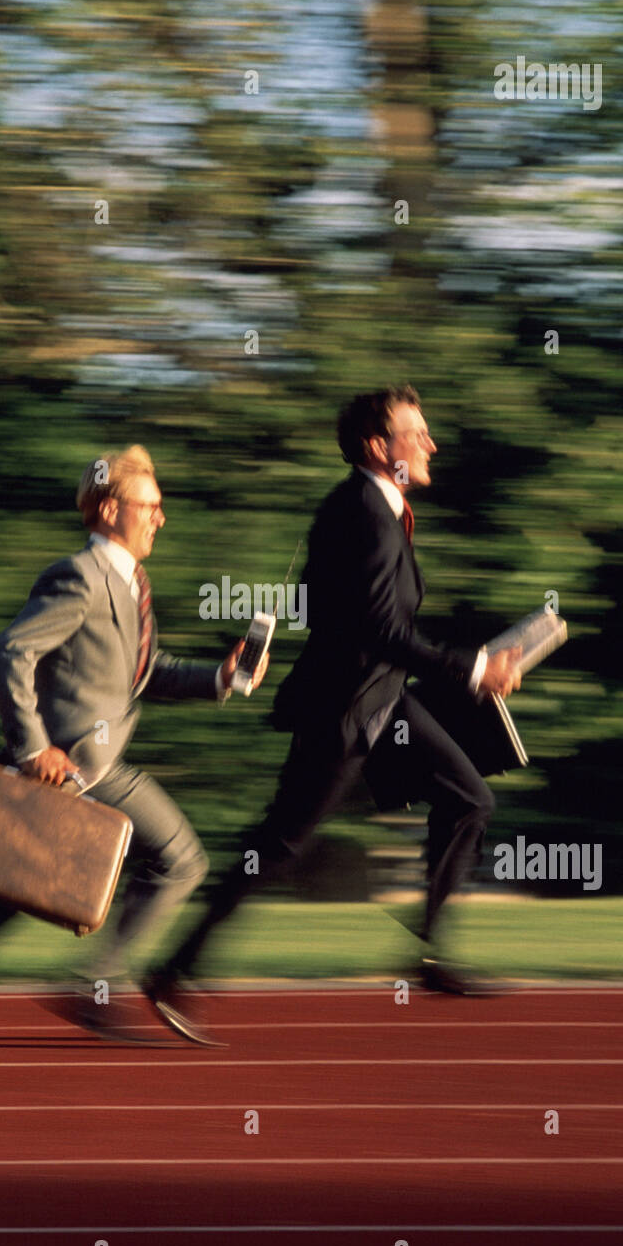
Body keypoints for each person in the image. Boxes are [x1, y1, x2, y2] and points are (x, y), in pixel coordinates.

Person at [0, 445, 267, 1081]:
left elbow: (139, 676)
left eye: (162, 508)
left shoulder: (131, 582)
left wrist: (219, 677)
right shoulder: (77, 577)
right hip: (65, 772)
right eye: (150, 507)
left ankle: (65, 986)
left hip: (105, 768)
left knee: (170, 861)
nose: (161, 519)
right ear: (110, 509)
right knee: (16, 898)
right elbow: (9, 653)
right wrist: (32, 747)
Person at [144, 386, 522, 1041]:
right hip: (342, 712)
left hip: (381, 703)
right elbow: (379, 630)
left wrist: (456, 672)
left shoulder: (373, 509)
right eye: (418, 432)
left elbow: (351, 617)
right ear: (380, 448)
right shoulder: (363, 514)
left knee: (469, 799)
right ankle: (173, 970)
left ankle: (428, 953)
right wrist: (471, 669)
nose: (431, 444)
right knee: (280, 845)